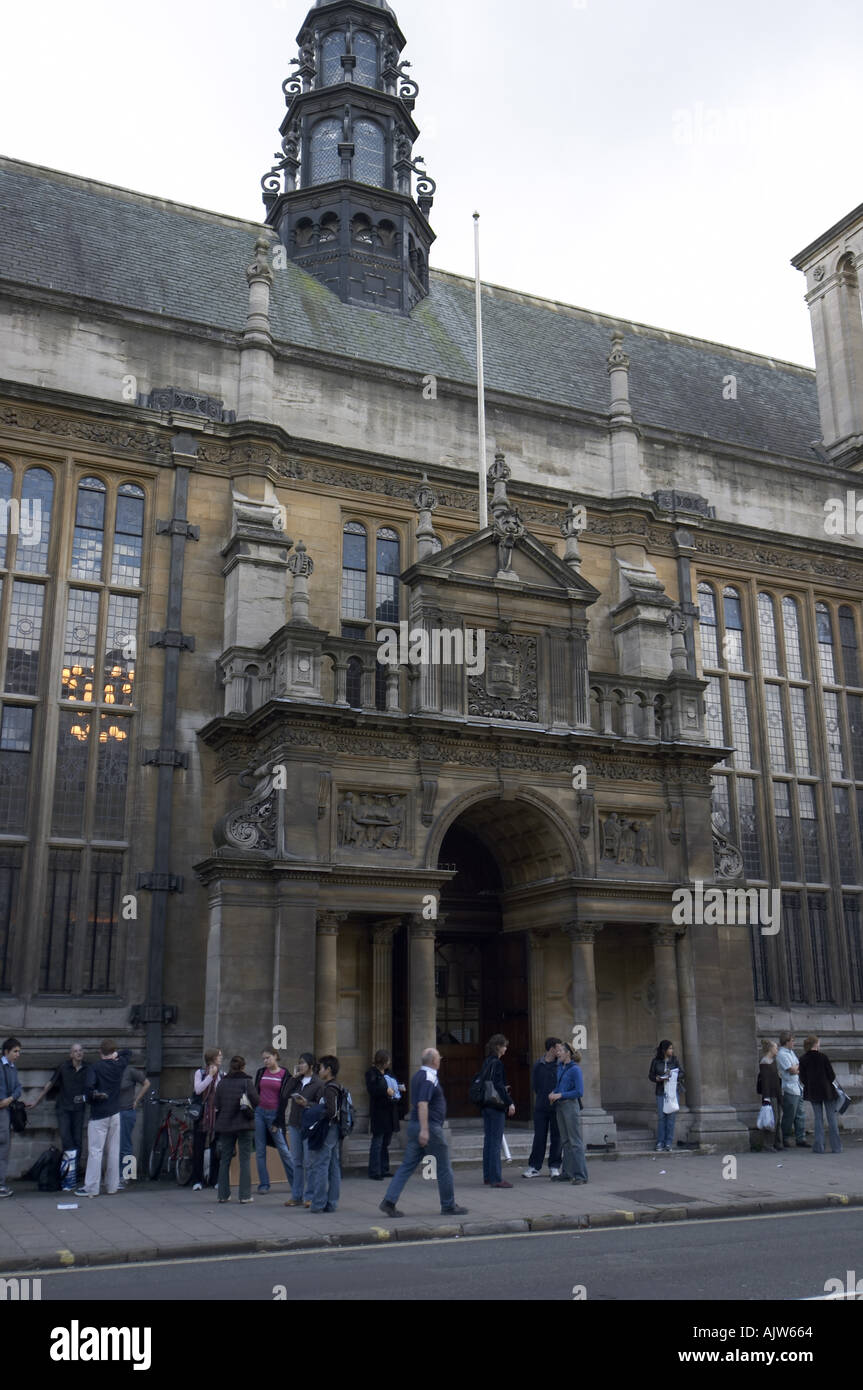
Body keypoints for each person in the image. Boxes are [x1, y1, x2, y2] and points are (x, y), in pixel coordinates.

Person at [379, 1048, 468, 1219]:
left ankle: (389, 1202)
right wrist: (425, 1130)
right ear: (434, 1061)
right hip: (429, 1127)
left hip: (415, 1125)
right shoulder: (429, 1077)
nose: (440, 1061)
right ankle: (448, 1205)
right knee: (443, 1167)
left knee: (407, 1166)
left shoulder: (417, 1076)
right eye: (439, 1058)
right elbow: (422, 1104)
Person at [28, 1042, 88, 1191]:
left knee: (78, 1141)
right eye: (75, 1051)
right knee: (67, 1140)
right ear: (71, 1054)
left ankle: (73, 1173)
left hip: (79, 1110)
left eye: (81, 1050)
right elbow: (50, 1084)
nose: (79, 1053)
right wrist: (37, 1100)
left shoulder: (88, 1068)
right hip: (64, 1109)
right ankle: (68, 1174)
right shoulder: (63, 1067)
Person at [76, 1039, 132, 1198]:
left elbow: (88, 1089)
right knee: (113, 1151)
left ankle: (92, 1187)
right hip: (115, 1112)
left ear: (101, 1052)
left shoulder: (95, 1068)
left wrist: (92, 1098)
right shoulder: (118, 1065)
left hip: (99, 1113)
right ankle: (112, 1186)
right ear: (113, 1052)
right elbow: (129, 1053)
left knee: (95, 1151)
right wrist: (116, 1054)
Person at [214, 1056, 260, 1203]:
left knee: (224, 1159)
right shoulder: (247, 1082)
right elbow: (256, 1101)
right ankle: (245, 1195)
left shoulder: (222, 1083)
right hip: (244, 1124)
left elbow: (216, 1104)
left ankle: (223, 1194)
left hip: (226, 1125)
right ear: (243, 1067)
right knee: (244, 1159)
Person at [304, 1056, 344, 1213]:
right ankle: (332, 1203)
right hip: (335, 1129)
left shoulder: (330, 1088)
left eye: (320, 1068)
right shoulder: (337, 1086)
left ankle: (318, 1203)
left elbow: (331, 1111)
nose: (318, 1071)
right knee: (333, 1166)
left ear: (328, 1070)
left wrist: (316, 1112)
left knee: (321, 1165)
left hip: (328, 1129)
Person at [283, 1053, 322, 1208]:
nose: (300, 1066)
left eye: (303, 1063)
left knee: (309, 1162)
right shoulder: (297, 1081)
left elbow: (320, 1106)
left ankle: (310, 1195)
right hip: (294, 1123)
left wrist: (307, 1103)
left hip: (308, 1125)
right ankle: (296, 1195)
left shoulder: (318, 1083)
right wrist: (293, 1078)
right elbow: (285, 1095)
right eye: (299, 1063)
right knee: (296, 1161)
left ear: (311, 1066)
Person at [253, 1048, 294, 1193]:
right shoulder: (260, 1072)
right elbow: (255, 1091)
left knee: (283, 1149)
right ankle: (264, 1184)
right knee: (260, 1151)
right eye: (263, 1059)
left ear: (275, 1056)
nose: (265, 1061)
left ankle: (295, 1182)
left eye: (268, 1058)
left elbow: (284, 1099)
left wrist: (278, 1120)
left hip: (274, 1114)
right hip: (259, 1113)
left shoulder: (284, 1074)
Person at [523, 1037, 563, 1178]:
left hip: (557, 1106)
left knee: (556, 1137)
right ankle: (534, 1166)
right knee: (539, 1137)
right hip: (541, 1106)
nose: (560, 1050)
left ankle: (554, 1166)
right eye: (558, 1047)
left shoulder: (561, 1065)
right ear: (552, 1048)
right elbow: (536, 1085)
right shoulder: (538, 1065)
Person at [550, 1042, 588, 1184]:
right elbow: (560, 1086)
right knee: (565, 1141)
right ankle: (567, 1172)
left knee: (575, 1141)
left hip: (570, 1106)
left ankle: (581, 1175)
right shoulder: (561, 1067)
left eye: (561, 1051)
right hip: (560, 1106)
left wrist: (561, 1095)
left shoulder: (575, 1069)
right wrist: (554, 1092)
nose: (558, 1053)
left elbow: (579, 1091)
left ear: (568, 1054)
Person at [481, 1034, 516, 1189]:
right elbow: (498, 1085)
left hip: (486, 1104)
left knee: (489, 1141)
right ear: (498, 1047)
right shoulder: (498, 1064)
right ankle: (496, 1178)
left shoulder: (487, 1061)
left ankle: (488, 1176)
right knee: (495, 1142)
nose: (506, 1048)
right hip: (496, 1105)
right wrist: (510, 1102)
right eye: (504, 1046)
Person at [798, 1035, 842, 1154]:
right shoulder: (823, 1057)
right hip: (827, 1090)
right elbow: (832, 1076)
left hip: (813, 1091)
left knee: (818, 1119)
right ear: (816, 1044)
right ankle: (836, 1147)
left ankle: (819, 1147)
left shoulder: (802, 1059)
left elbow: (802, 1078)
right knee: (832, 1118)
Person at [191, 1047, 224, 1191]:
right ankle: (197, 1180)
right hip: (202, 1115)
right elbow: (198, 1090)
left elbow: (221, 1093)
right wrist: (210, 1076)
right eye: (219, 1056)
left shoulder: (222, 1074)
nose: (221, 1058)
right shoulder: (200, 1073)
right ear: (212, 1058)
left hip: (216, 1114)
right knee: (198, 1147)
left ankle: (214, 1179)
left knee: (216, 1148)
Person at [366, 1049, 401, 1181]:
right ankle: (375, 1170)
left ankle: (384, 1168)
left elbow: (394, 1083)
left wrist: (398, 1087)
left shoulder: (389, 1072)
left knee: (386, 1142)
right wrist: (385, 1090)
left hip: (390, 1110)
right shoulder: (371, 1073)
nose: (389, 1063)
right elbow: (372, 1089)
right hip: (379, 1111)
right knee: (378, 1141)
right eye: (387, 1061)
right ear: (382, 1061)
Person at [649, 1039, 685, 1153]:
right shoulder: (656, 1061)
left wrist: (673, 1075)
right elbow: (651, 1075)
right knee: (661, 1117)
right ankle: (660, 1142)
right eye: (670, 1048)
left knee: (671, 1118)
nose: (672, 1050)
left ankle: (669, 1142)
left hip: (673, 1091)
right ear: (664, 1050)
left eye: (672, 1048)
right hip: (661, 1091)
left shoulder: (675, 1060)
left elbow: (682, 1073)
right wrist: (657, 1078)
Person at [118, 1058, 150, 1185]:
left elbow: (147, 1083)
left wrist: (136, 1100)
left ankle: (127, 1175)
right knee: (119, 1145)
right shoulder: (113, 1073)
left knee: (126, 1145)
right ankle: (120, 1174)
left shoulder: (130, 1072)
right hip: (115, 1111)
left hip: (127, 1111)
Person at [777, 1031, 808, 1148]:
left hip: (798, 1087)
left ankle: (801, 1138)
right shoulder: (782, 1054)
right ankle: (785, 1138)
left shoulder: (791, 1053)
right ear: (787, 1041)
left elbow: (799, 1066)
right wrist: (796, 1068)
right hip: (789, 1088)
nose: (794, 1043)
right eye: (792, 1041)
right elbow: (792, 1070)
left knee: (800, 1114)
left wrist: (796, 1068)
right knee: (789, 1115)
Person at [0, 1036, 23, 1199]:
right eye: (15, 1051)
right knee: (3, 1148)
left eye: (19, 1051)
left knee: (4, 1148)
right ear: (6, 1051)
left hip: (6, 1110)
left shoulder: (12, 1067)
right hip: (2, 1113)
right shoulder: (2, 1067)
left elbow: (18, 1088)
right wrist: (5, 1100)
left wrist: (10, 1099)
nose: (18, 1054)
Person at [757, 1039, 783, 1153]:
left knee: (777, 1119)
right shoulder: (765, 1063)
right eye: (776, 1047)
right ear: (770, 1049)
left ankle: (777, 1142)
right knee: (772, 1119)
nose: (777, 1049)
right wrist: (766, 1098)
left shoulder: (772, 1061)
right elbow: (765, 1082)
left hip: (776, 1093)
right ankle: (768, 1144)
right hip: (770, 1094)